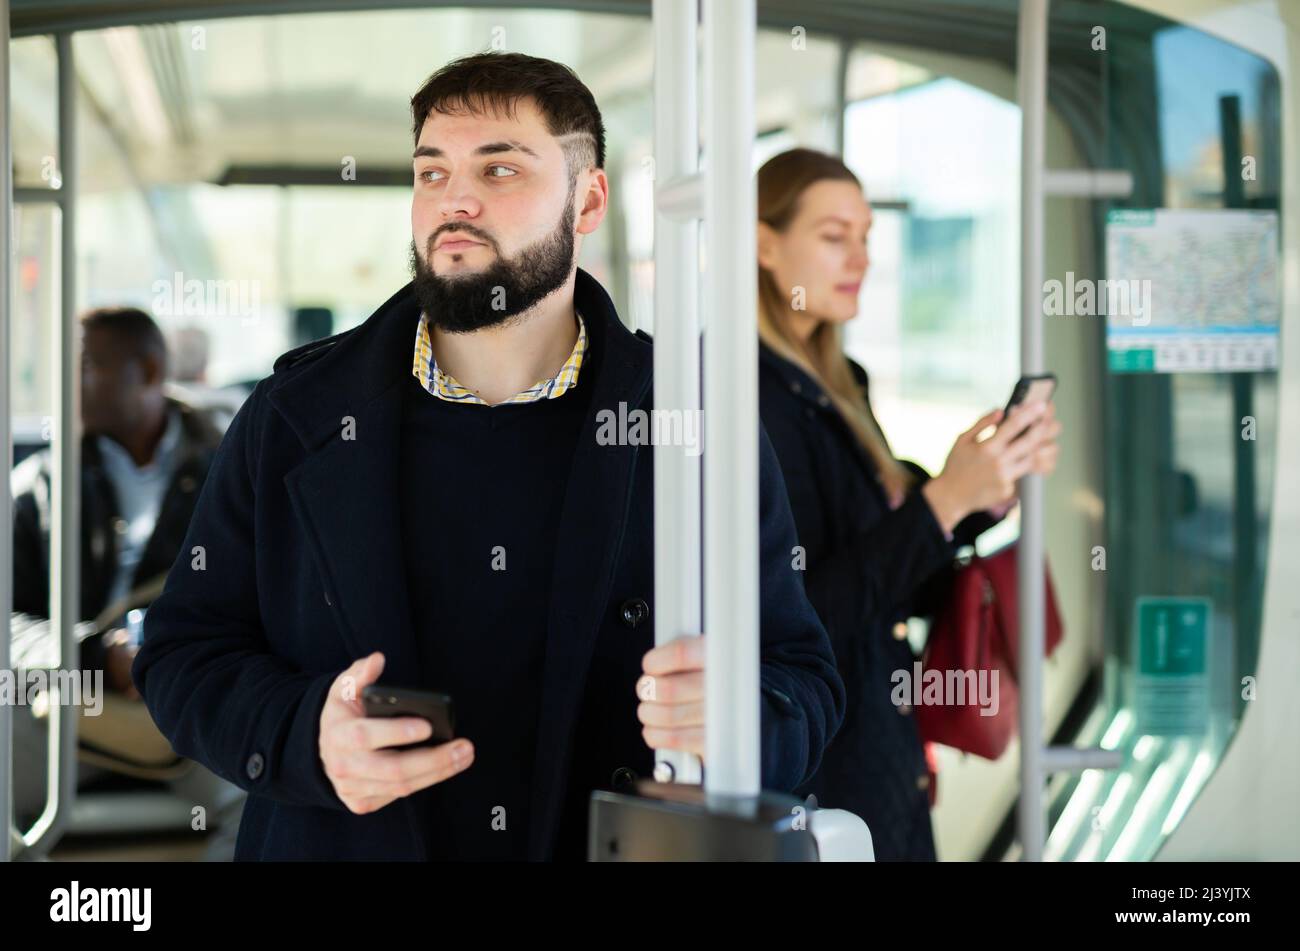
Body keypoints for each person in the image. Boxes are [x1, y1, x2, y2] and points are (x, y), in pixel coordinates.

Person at [132, 52, 846, 862]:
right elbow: (181, 652)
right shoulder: (292, 417)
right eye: (430, 172)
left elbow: (803, 676)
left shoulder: (694, 423)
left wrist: (743, 721)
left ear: (589, 200)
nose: (455, 200)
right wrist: (305, 738)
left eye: (500, 168)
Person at [753, 148, 1061, 860]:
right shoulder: (747, 394)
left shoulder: (838, 380)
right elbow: (801, 615)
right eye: (834, 236)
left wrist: (982, 488)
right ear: (764, 245)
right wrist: (945, 502)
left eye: (866, 236)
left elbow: (897, 569)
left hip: (880, 743)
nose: (859, 257)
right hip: (823, 768)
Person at [11, 306, 242, 853]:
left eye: (87, 364)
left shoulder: (233, 472)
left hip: (194, 700)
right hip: (73, 703)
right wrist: (92, 653)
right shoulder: (38, 487)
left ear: (149, 372)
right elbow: (8, 623)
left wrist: (181, 653)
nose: (67, 381)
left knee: (273, 795)